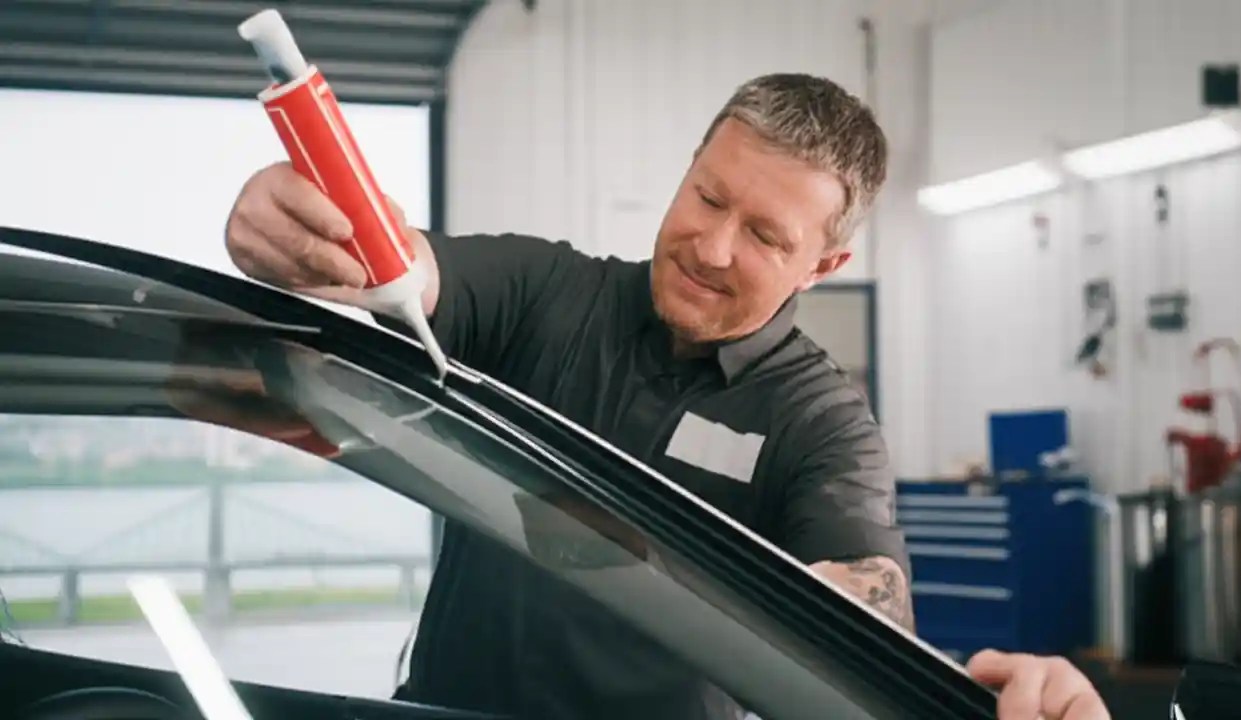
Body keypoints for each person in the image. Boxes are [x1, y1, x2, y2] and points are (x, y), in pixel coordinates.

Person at [224, 73, 1110, 720]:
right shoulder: (548, 292)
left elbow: (864, 590)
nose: (712, 246)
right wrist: (322, 240)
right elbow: (408, 269)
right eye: (708, 197)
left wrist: (897, 643)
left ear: (824, 266)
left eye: (764, 234)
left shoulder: (821, 421)